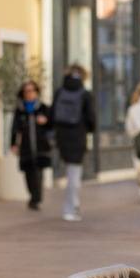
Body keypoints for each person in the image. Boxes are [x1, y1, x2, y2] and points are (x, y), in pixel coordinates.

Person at [52, 64, 96, 222]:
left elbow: (52, 115)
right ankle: (71, 208)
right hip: (78, 136)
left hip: (62, 136)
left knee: (69, 171)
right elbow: (91, 117)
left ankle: (69, 208)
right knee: (74, 174)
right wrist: (90, 130)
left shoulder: (60, 92)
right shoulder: (85, 94)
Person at [9, 80, 51, 211]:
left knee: (38, 173)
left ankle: (36, 199)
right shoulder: (20, 110)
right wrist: (13, 144)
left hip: (40, 146)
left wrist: (45, 121)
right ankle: (32, 195)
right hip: (26, 147)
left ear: (36, 92)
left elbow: (52, 126)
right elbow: (14, 128)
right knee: (28, 174)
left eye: (32, 90)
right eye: (27, 90)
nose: (30, 93)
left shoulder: (43, 108)